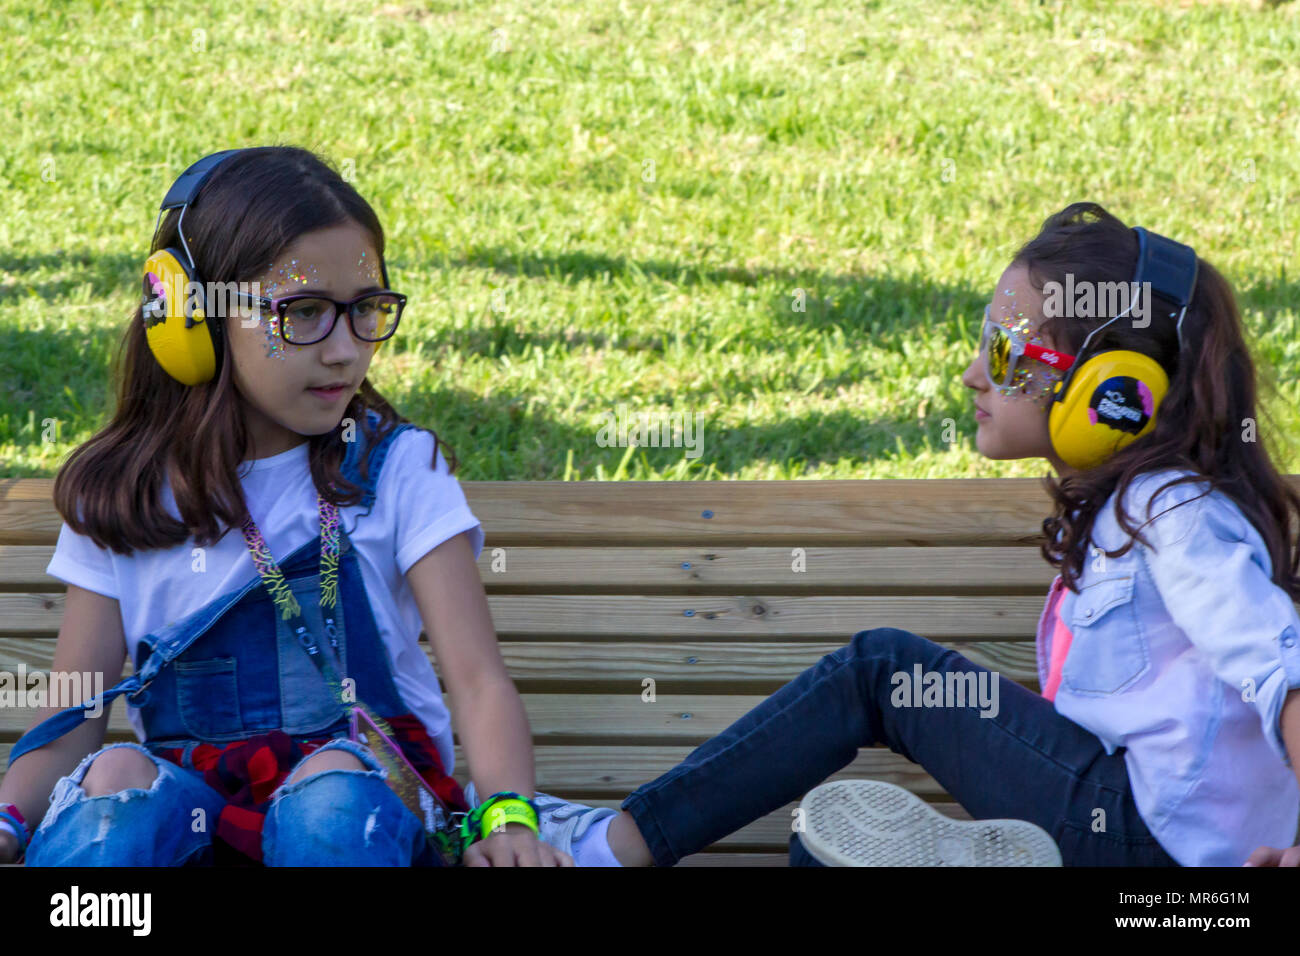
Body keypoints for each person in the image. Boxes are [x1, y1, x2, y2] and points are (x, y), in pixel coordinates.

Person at [541, 202, 1300, 867]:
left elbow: (1281, 667)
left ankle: (608, 849)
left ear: (1110, 391)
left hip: (1147, 839)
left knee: (882, 669)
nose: (974, 373)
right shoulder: (1132, 507)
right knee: (826, 848)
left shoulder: (1174, 510)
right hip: (1116, 825)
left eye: (1003, 346)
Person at [0, 146, 578, 867]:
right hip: (198, 823)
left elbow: (477, 679)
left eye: (366, 311)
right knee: (116, 776)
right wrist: (9, 820)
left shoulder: (397, 468)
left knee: (329, 792)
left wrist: (509, 821)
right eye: (303, 313)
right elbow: (76, 712)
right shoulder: (126, 491)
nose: (344, 350)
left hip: (366, 805)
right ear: (191, 319)